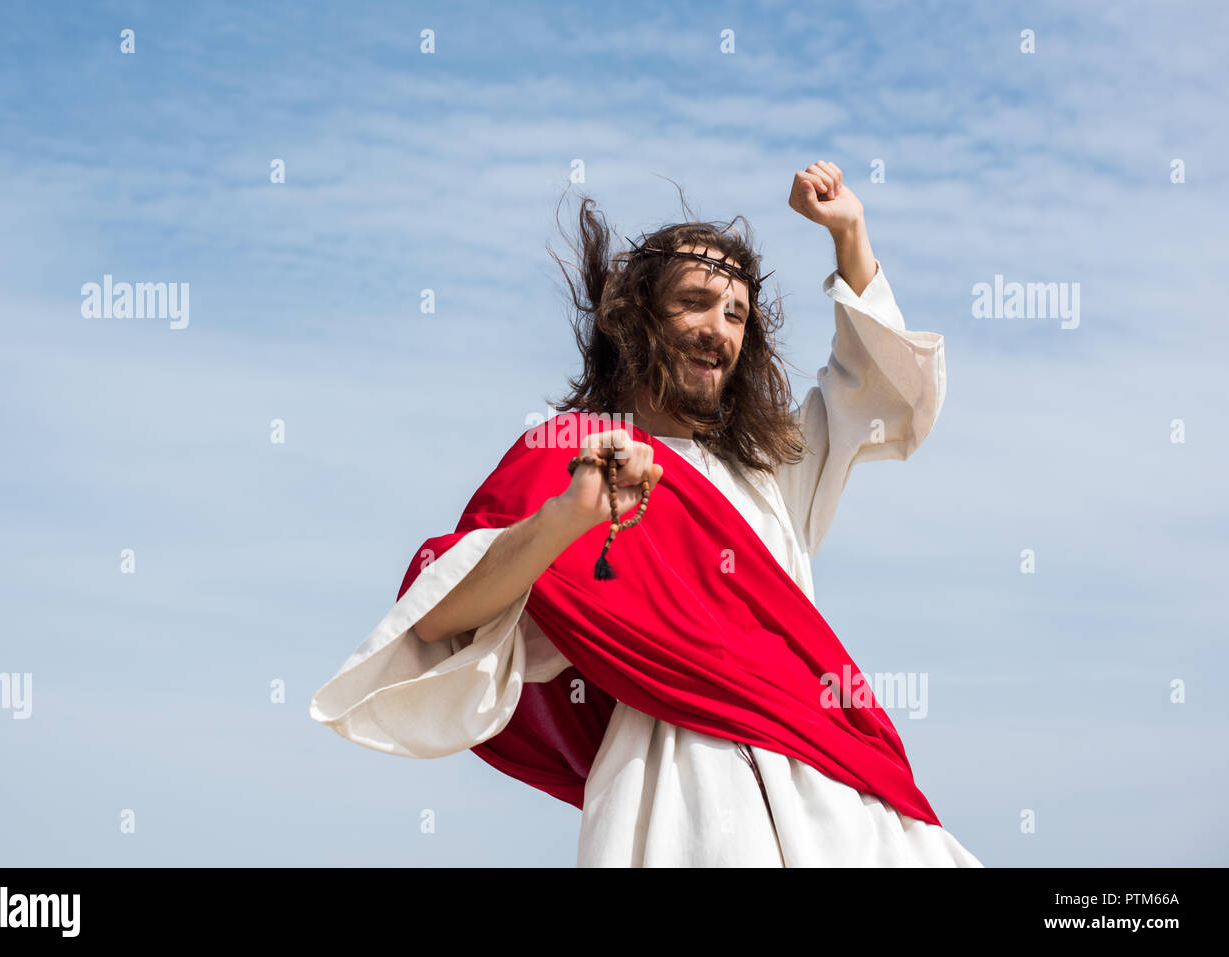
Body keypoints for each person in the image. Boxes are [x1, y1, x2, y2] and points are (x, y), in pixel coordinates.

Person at [311, 160, 983, 867]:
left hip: (835, 798)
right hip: (684, 808)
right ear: (634, 316)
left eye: (736, 313)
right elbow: (439, 621)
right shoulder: (573, 457)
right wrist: (569, 516)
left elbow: (878, 396)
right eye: (696, 300)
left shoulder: (768, 473)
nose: (718, 329)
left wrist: (850, 234)